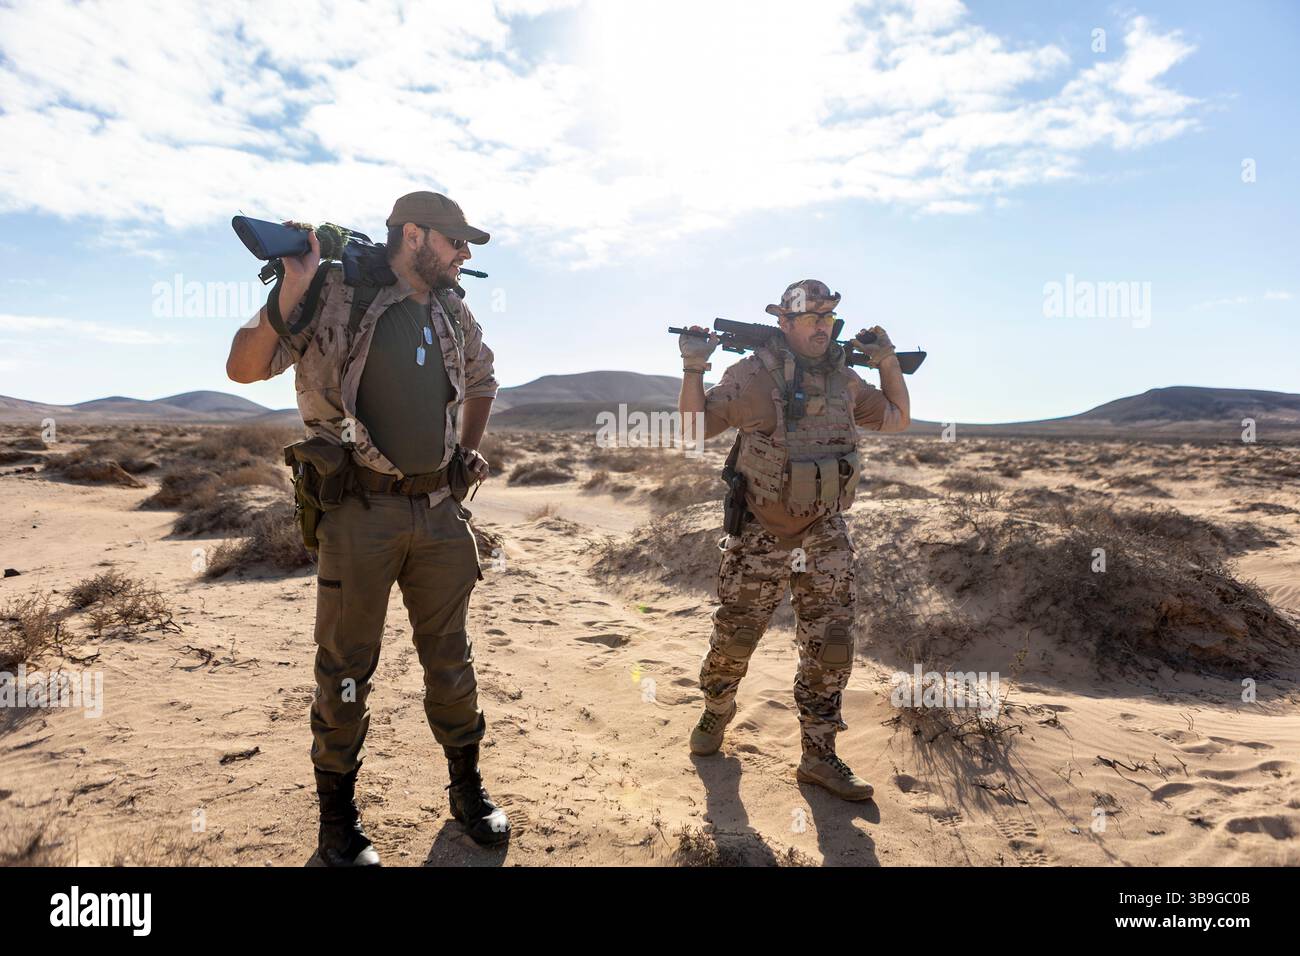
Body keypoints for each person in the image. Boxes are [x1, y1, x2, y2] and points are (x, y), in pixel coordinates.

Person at [225, 191, 509, 864]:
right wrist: (291, 285)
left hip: (438, 511)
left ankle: (467, 790)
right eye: (454, 240)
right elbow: (243, 366)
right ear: (413, 234)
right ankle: (338, 818)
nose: (463, 254)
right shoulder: (332, 292)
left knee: (451, 658)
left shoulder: (452, 308)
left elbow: (483, 380)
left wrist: (466, 453)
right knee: (346, 668)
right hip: (358, 514)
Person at [676, 279, 912, 800]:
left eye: (829, 318)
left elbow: (897, 420)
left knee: (832, 646)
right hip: (760, 531)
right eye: (810, 318)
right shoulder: (752, 376)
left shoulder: (845, 380)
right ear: (783, 322)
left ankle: (819, 755)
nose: (822, 327)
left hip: (824, 531)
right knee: (735, 638)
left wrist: (888, 361)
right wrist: (694, 368)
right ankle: (717, 709)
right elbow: (694, 429)